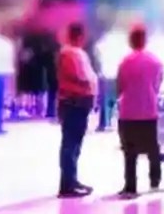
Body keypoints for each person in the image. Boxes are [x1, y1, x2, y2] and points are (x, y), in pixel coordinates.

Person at [115, 26, 164, 198]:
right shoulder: (155, 61)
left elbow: (119, 87)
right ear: (145, 40)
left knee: (129, 151)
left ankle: (130, 186)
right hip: (149, 110)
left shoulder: (125, 62)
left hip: (128, 111)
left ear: (131, 41)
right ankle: (155, 181)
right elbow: (158, 85)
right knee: (152, 148)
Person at [56, 22, 98, 198]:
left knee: (75, 145)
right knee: (70, 144)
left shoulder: (76, 53)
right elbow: (80, 77)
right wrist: (91, 83)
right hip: (74, 102)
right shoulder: (69, 54)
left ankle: (72, 179)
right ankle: (67, 185)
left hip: (80, 103)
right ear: (79, 36)